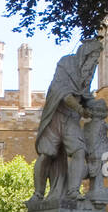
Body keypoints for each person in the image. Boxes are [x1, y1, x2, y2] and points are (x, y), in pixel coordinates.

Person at [31, 39, 103, 201]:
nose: (95, 62)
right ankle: (38, 194)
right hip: (56, 116)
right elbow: (61, 91)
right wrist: (80, 109)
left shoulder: (86, 75)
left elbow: (84, 96)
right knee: (46, 154)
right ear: (86, 54)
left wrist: (96, 106)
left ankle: (73, 191)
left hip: (71, 119)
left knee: (79, 151)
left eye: (97, 58)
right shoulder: (66, 64)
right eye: (94, 57)